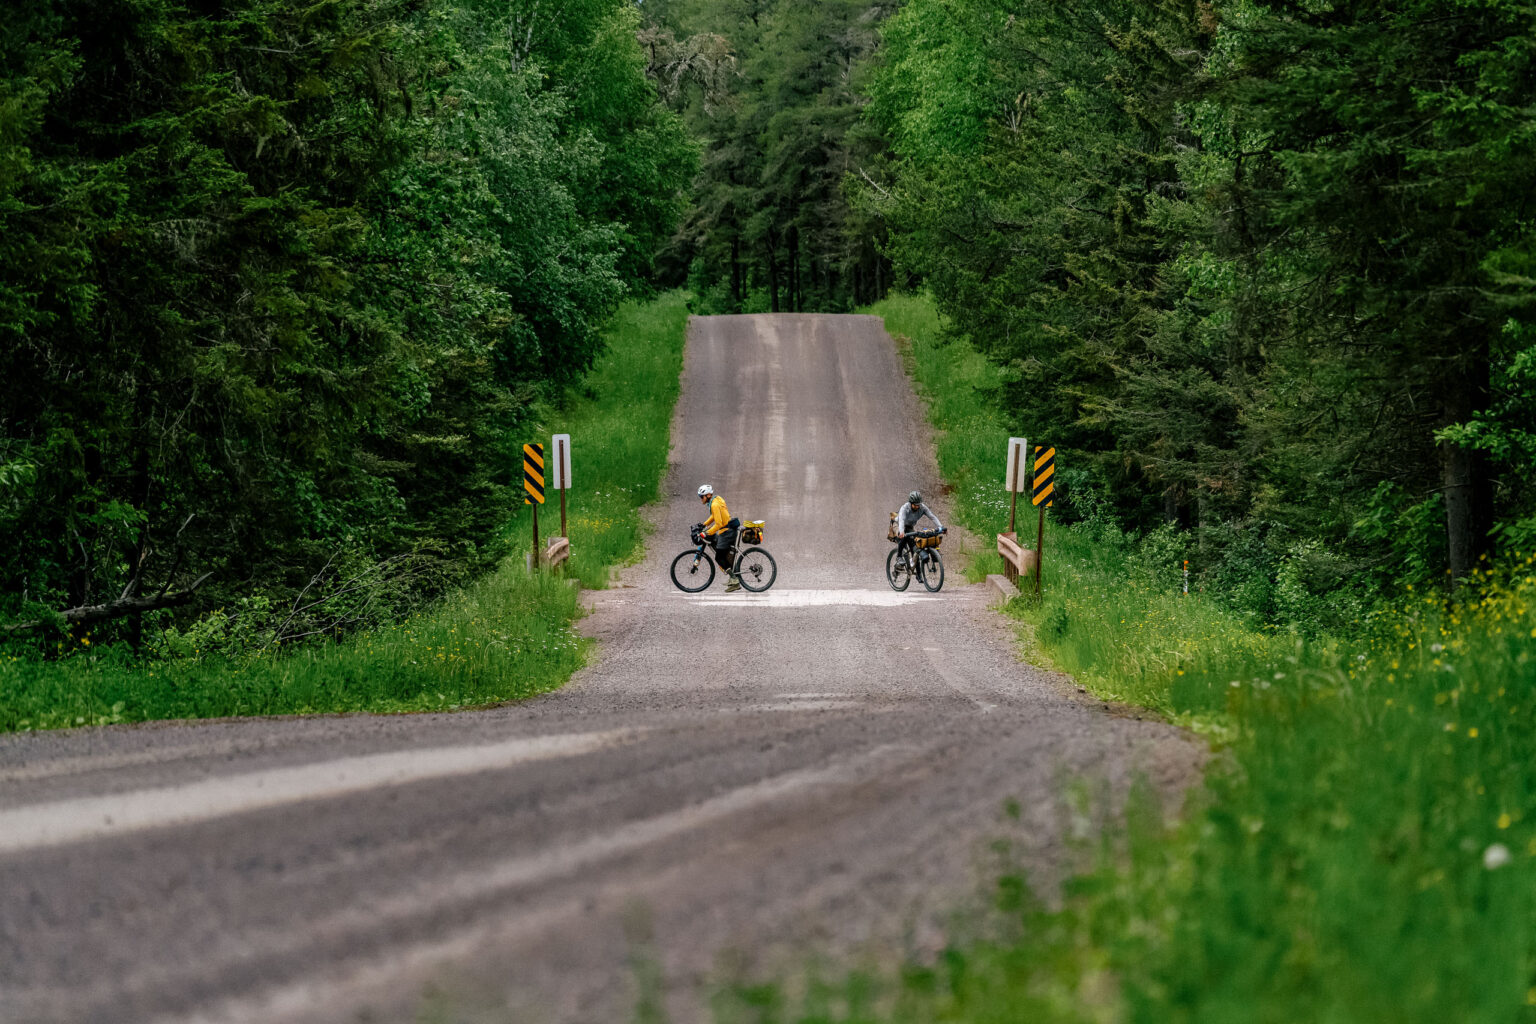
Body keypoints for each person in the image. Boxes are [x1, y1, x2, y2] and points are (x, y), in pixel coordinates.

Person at [697, 484, 742, 592]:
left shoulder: (714, 505)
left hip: (726, 532)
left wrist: (706, 533)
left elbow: (718, 524)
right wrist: (704, 524)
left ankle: (734, 580)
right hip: (729, 530)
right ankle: (732, 576)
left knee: (718, 557)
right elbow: (715, 515)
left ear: (708, 495)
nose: (701, 499)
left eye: (701, 497)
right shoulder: (717, 499)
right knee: (721, 553)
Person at [893, 489, 944, 570]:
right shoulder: (905, 508)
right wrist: (901, 531)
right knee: (903, 537)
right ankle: (899, 556)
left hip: (909, 527)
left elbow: (932, 517)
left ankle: (918, 574)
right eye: (915, 505)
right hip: (898, 524)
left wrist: (941, 527)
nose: (917, 506)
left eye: (918, 504)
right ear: (911, 503)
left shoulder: (922, 507)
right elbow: (901, 520)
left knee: (915, 547)